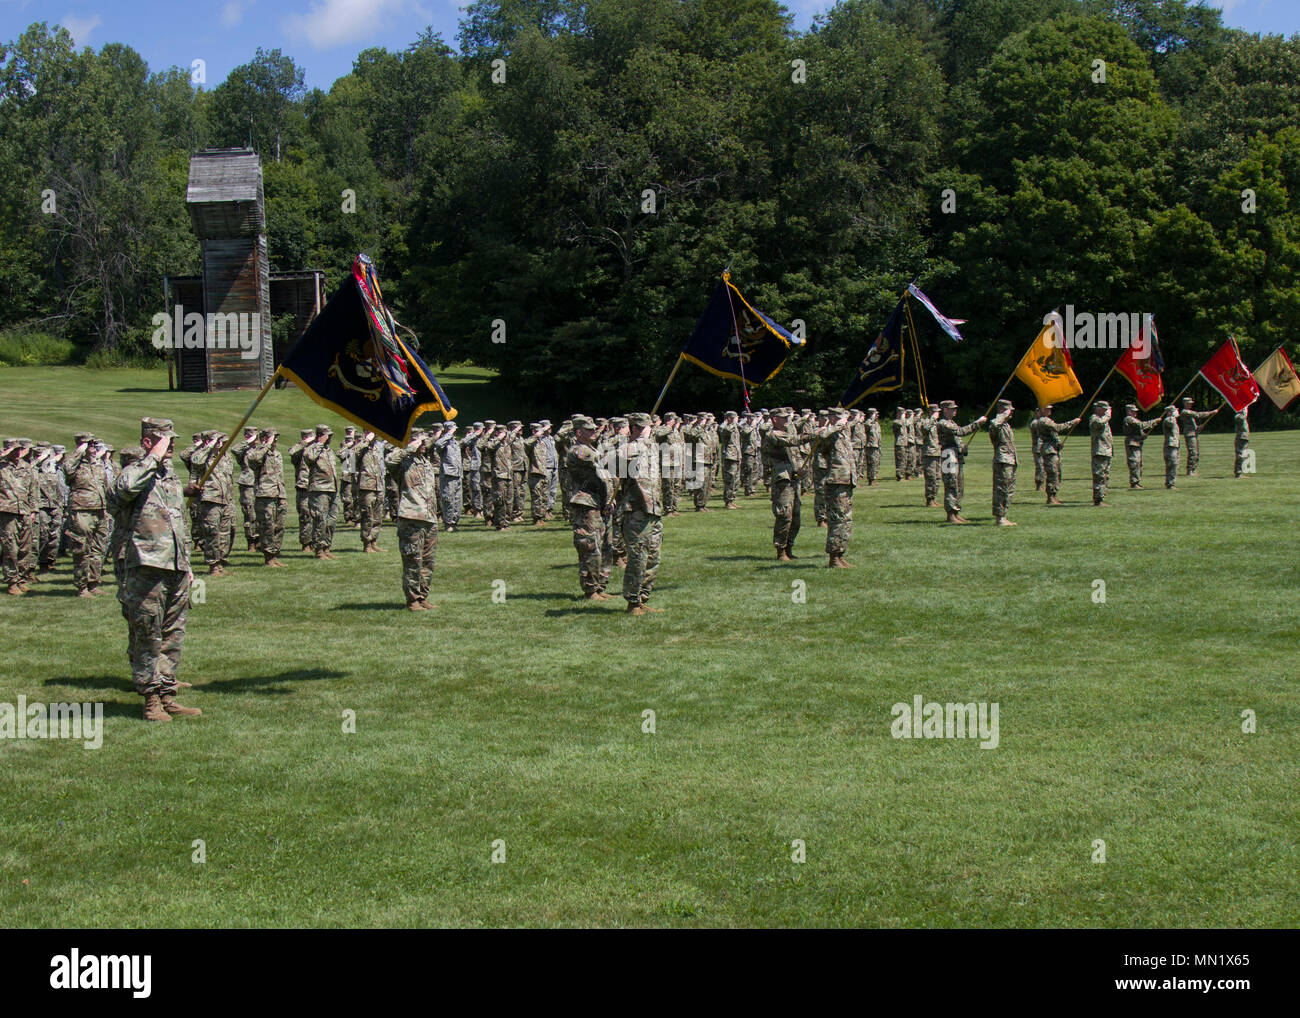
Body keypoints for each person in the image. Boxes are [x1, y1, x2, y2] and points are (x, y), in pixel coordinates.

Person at [112, 417, 202, 722]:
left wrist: (186, 563)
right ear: (148, 442)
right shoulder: (134, 471)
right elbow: (121, 490)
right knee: (147, 633)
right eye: (166, 439)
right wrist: (150, 459)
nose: (173, 444)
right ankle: (150, 699)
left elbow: (178, 522)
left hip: (174, 564)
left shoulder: (168, 476)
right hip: (146, 564)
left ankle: (167, 693)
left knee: (172, 634)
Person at [387, 431, 440, 611]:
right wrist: (408, 447)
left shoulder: (426, 462)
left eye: (424, 441)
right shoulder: (403, 462)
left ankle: (423, 596)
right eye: (420, 440)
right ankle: (412, 600)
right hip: (411, 518)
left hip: (429, 518)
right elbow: (389, 460)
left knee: (428, 561)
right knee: (412, 560)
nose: (424, 444)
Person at [565, 415, 615, 600]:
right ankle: (590, 589)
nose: (595, 431)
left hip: (601, 503)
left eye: (595, 429)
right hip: (587, 504)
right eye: (590, 429)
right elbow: (600, 459)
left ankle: (601, 586)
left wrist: (610, 499)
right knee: (590, 547)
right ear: (579, 432)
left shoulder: (594, 449)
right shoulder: (578, 450)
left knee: (606, 546)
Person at [620, 413, 664, 615]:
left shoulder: (652, 448)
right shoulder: (628, 449)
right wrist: (635, 441)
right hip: (636, 510)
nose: (651, 430)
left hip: (653, 509)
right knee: (638, 557)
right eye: (647, 427)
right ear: (636, 428)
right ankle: (633, 602)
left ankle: (643, 597)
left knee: (653, 558)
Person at [763, 407, 819, 561]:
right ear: (775, 419)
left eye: (788, 417)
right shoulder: (772, 434)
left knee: (796, 517)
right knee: (784, 515)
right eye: (784, 418)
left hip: (792, 479)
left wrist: (799, 470)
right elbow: (793, 441)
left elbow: (794, 455)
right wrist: (815, 434)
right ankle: (780, 550)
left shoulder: (786, 432)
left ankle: (789, 548)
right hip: (782, 481)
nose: (788, 420)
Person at [63, 431, 110, 597]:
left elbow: (104, 486)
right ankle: (82, 586)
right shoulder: (75, 464)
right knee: (82, 549)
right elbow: (67, 469)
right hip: (81, 510)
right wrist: (79, 451)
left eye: (93, 444)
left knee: (98, 548)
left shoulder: (97, 463)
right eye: (89, 444)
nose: (93, 447)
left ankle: (93, 583)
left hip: (100, 510)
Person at [936, 401, 986, 523]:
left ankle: (956, 512)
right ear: (945, 410)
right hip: (948, 455)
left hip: (956, 455)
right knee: (951, 485)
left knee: (959, 485)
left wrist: (962, 447)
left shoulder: (953, 423)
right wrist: (977, 424)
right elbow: (961, 432)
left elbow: (957, 438)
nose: (955, 410)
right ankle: (950, 514)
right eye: (952, 409)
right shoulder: (943, 423)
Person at [820, 408, 857, 567]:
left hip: (846, 480)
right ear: (834, 418)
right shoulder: (828, 432)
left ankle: (840, 553)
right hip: (836, 481)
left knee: (845, 520)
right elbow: (821, 438)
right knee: (836, 520)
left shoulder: (843, 433)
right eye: (842, 418)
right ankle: (833, 557)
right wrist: (835, 425)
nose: (845, 421)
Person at [246, 428, 287, 567]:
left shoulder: (277, 454)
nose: (275, 440)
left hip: (278, 494)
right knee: (267, 526)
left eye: (276, 438)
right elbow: (253, 460)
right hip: (265, 494)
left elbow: (280, 477)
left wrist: (283, 496)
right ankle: (268, 557)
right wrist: (265, 445)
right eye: (272, 437)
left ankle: (275, 555)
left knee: (279, 526)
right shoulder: (257, 452)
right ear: (264, 438)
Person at [304, 424, 339, 559]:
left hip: (332, 488)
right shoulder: (312, 448)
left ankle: (326, 547)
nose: (330, 438)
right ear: (320, 435)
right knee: (320, 519)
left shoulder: (328, 450)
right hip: (319, 489)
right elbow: (309, 458)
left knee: (332, 519)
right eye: (327, 435)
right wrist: (319, 443)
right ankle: (318, 549)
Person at [1038, 405, 1079, 505]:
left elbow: (1054, 434)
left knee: (1057, 473)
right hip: (1049, 450)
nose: (1049, 410)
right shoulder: (1043, 420)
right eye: (1047, 408)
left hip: (1053, 448)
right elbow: (1057, 428)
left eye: (1050, 408)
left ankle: (1054, 495)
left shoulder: (1048, 420)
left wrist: (1058, 442)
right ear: (1042, 410)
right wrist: (1072, 423)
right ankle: (1050, 497)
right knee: (1052, 472)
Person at [229, 426, 261, 550]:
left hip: (260, 484)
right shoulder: (243, 450)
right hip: (247, 484)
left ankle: (259, 539)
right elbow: (234, 450)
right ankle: (251, 540)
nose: (255, 439)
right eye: (252, 436)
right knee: (250, 514)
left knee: (261, 513)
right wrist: (247, 442)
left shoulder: (260, 449)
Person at [988, 399, 1018, 526]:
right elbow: (994, 425)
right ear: (1001, 410)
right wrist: (1002, 415)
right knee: (1001, 489)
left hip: (1010, 461)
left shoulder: (1006, 426)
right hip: (1002, 461)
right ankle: (999, 517)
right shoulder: (996, 424)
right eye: (1008, 410)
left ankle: (1004, 515)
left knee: (1008, 489)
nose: (1011, 413)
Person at [355, 431, 385, 552]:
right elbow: (350, 455)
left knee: (377, 516)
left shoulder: (377, 448)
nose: (376, 434)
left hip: (379, 485)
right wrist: (366, 440)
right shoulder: (361, 446)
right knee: (367, 515)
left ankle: (374, 541)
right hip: (366, 486)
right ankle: (366, 543)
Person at [1122, 403, 1161, 488]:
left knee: (1138, 463)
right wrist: (1154, 421)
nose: (1135, 413)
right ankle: (1134, 482)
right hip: (1132, 443)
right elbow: (1141, 425)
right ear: (1129, 411)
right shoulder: (1129, 419)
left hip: (1137, 442)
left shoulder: (1134, 419)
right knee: (1134, 462)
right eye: (1133, 411)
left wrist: (1143, 435)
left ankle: (1137, 481)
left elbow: (1140, 430)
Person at [1179, 397, 1216, 476]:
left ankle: (1193, 469)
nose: (1191, 404)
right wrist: (1211, 413)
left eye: (1191, 403)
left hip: (1194, 433)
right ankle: (1190, 471)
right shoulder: (1185, 412)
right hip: (1190, 435)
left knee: (1196, 453)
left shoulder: (1189, 412)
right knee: (1193, 452)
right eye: (1189, 403)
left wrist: (1198, 427)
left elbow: (1192, 424)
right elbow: (1198, 415)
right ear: (1185, 403)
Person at [1088, 400, 1114, 506]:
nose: (1107, 412)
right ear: (1099, 409)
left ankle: (1102, 497)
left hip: (1106, 451)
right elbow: (1098, 424)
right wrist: (1107, 417)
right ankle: (1098, 499)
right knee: (1099, 476)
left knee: (1105, 476)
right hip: (1100, 451)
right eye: (1105, 409)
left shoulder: (1104, 420)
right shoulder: (1094, 418)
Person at [919, 403, 941, 507]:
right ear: (931, 412)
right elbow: (924, 428)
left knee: (937, 477)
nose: (938, 414)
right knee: (930, 477)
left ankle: (934, 497)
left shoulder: (936, 423)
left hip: (937, 452)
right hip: (929, 453)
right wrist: (932, 418)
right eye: (937, 412)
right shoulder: (926, 421)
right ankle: (929, 500)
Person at [1161, 404, 1181, 488]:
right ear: (1169, 413)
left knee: (1174, 464)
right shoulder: (1168, 420)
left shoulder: (1172, 420)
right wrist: (1173, 416)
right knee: (1172, 464)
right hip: (1170, 445)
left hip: (1175, 445)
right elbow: (1171, 423)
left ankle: (1170, 482)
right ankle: (1170, 483)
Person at [1234, 406, 1250, 477]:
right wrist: (1244, 413)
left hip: (1244, 437)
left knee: (1244, 455)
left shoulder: (1241, 416)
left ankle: (1239, 472)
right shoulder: (1238, 416)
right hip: (1241, 437)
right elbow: (1240, 418)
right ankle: (1238, 472)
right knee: (1241, 455)